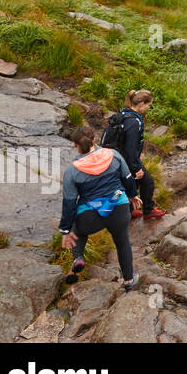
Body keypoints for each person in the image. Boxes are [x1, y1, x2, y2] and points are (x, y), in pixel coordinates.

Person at [59, 124, 141, 290]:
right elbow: (128, 178)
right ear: (94, 140)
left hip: (90, 215)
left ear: (74, 145)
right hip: (119, 208)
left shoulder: (72, 172)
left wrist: (66, 231)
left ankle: (78, 258)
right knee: (122, 241)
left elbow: (69, 204)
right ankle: (128, 280)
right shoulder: (114, 155)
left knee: (78, 231)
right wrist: (133, 195)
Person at [112, 89, 167, 221]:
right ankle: (148, 210)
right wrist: (136, 167)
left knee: (130, 184)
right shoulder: (134, 122)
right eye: (148, 105)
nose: (148, 108)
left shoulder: (123, 113)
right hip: (127, 159)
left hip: (117, 157)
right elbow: (130, 147)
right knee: (147, 182)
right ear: (142, 103)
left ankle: (129, 210)